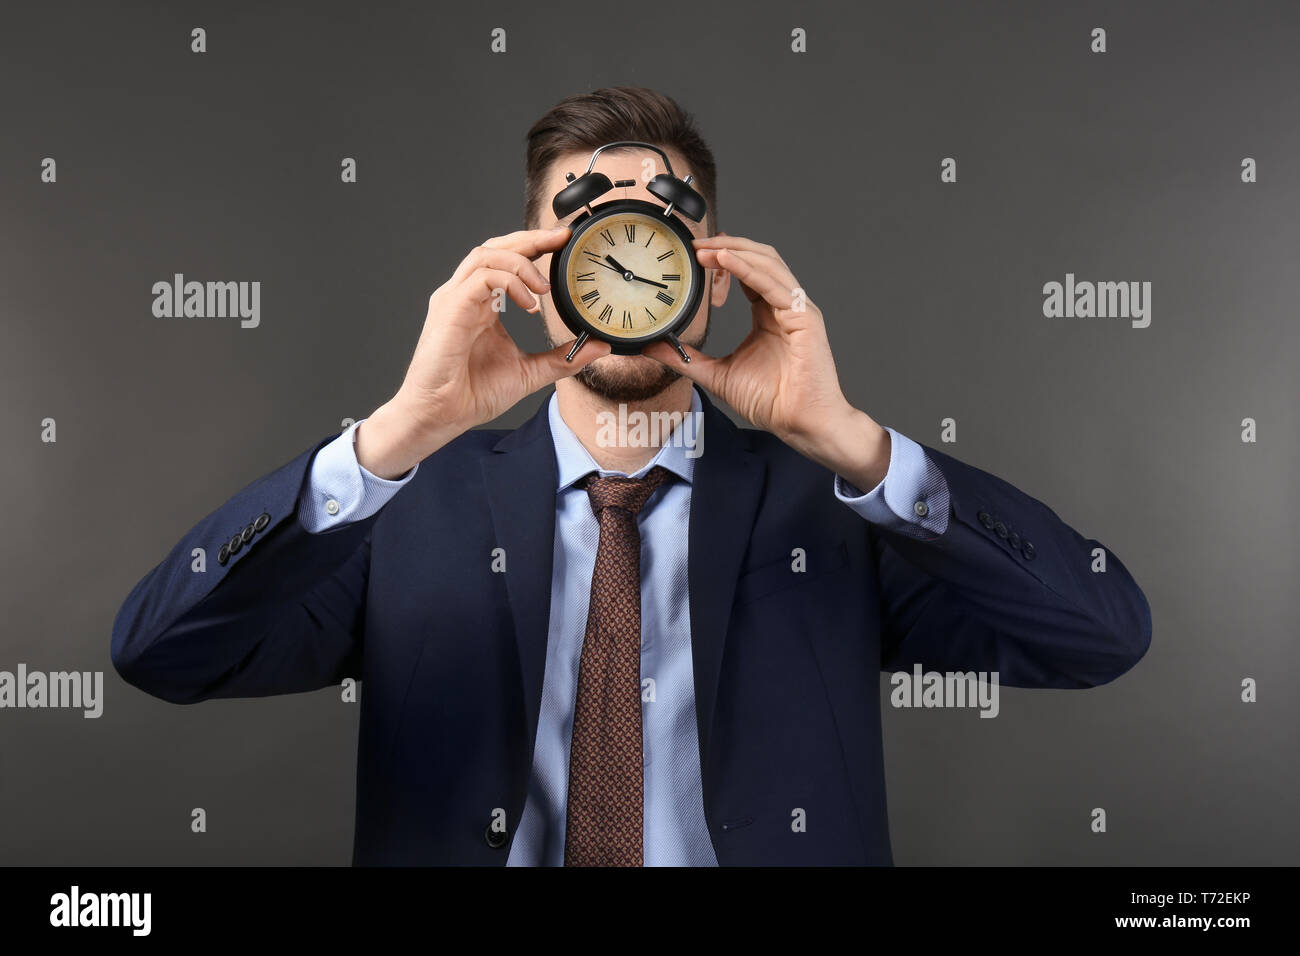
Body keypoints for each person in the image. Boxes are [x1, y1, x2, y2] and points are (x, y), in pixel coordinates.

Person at [111, 86, 1151, 866]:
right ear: (533, 272)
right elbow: (163, 653)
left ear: (711, 270)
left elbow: (1099, 634)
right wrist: (388, 437)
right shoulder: (405, 501)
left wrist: (855, 442)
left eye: (660, 230)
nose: (624, 261)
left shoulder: (827, 506)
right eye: (588, 232)